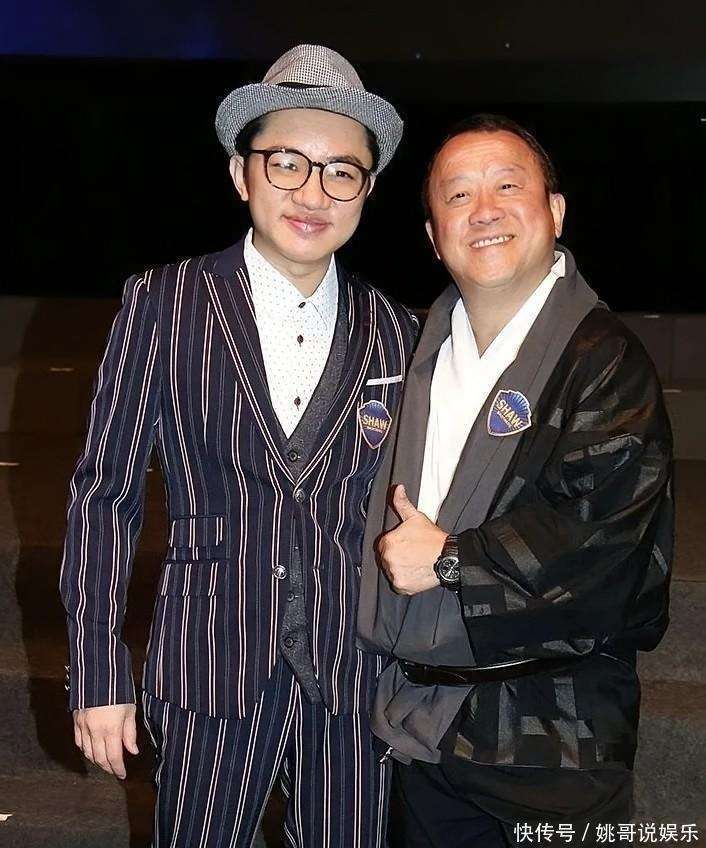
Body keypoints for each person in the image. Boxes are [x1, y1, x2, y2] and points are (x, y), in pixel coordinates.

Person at [60, 44, 417, 847]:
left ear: (367, 190)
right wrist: (99, 667)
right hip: (208, 663)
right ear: (241, 173)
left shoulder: (398, 332)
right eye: (286, 162)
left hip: (353, 680)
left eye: (341, 171)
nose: (312, 192)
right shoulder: (164, 302)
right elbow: (105, 496)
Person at [358, 114, 673, 847]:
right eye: (457, 195)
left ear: (554, 211)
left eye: (507, 186)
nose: (484, 210)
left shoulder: (604, 360)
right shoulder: (417, 355)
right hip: (421, 730)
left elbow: (601, 543)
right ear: (434, 236)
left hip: (550, 740)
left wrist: (451, 559)